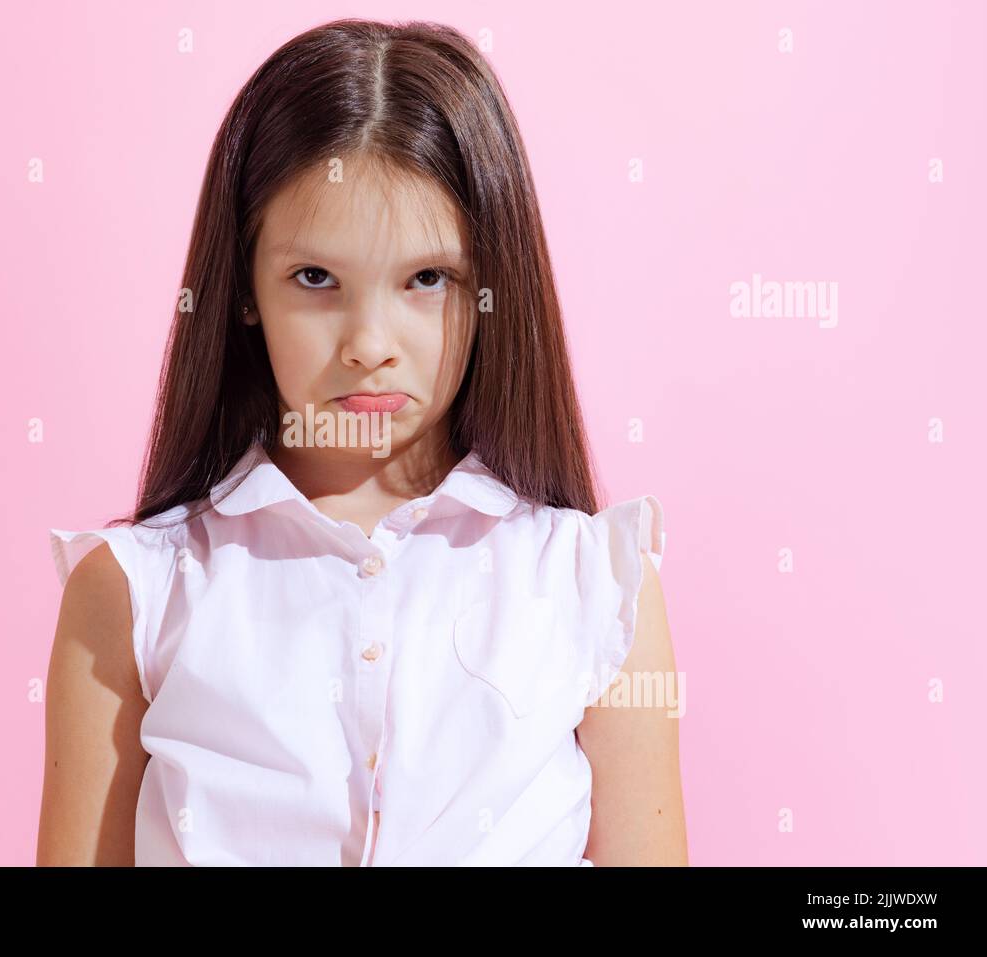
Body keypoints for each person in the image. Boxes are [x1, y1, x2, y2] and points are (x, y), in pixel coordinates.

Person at [36, 17, 688, 866]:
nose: (369, 341)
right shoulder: (134, 594)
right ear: (243, 289)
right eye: (316, 278)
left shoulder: (595, 587)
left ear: (490, 285)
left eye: (426, 279)